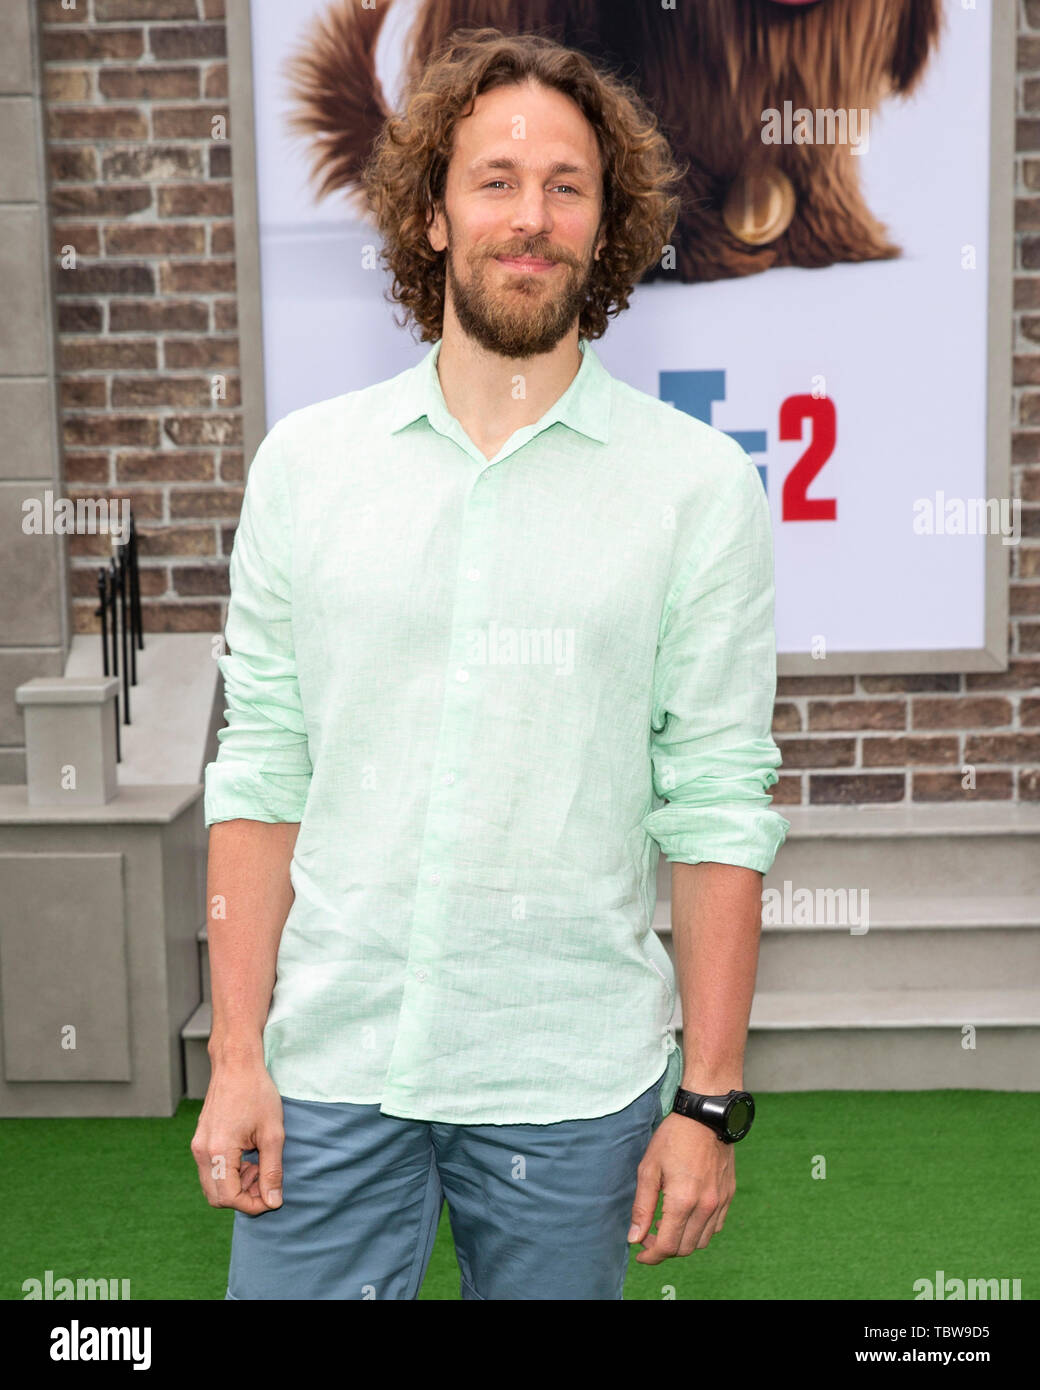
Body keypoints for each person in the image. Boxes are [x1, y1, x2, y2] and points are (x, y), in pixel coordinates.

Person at [191, 26, 789, 1301]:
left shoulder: (693, 489)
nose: (532, 216)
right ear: (429, 217)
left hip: (571, 1080)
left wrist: (710, 1094)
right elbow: (261, 772)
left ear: (606, 226)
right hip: (335, 1069)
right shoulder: (309, 467)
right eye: (497, 179)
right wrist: (236, 1052)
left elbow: (718, 797)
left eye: (566, 186)